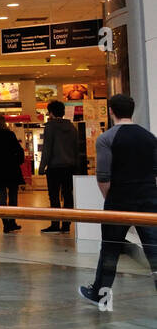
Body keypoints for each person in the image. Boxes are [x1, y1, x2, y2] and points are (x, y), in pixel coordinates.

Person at [80, 94, 157, 306]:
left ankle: (101, 294)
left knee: (111, 248)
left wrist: (110, 198)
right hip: (149, 199)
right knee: (154, 247)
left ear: (111, 111)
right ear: (132, 111)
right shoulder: (150, 138)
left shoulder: (107, 138)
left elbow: (103, 175)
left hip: (119, 199)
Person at [39, 99, 79, 234]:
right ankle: (66, 224)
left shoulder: (50, 127)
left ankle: (55, 224)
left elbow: (47, 148)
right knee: (68, 195)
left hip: (54, 167)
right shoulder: (72, 127)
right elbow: (76, 148)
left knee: (54, 196)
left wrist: (42, 166)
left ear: (51, 112)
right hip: (69, 166)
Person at [0, 115, 24, 232]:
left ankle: (5, 223)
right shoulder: (10, 135)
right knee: (13, 197)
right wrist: (17, 162)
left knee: (2, 198)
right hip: (11, 170)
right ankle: (12, 221)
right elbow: (18, 150)